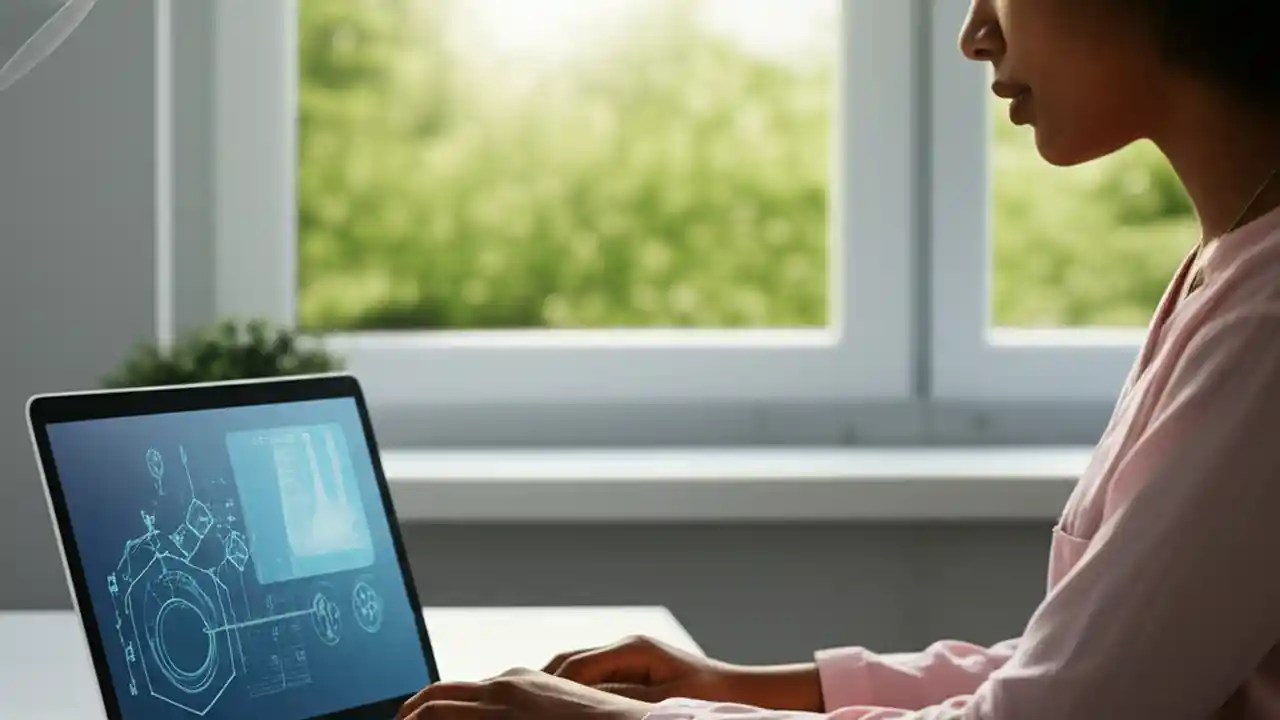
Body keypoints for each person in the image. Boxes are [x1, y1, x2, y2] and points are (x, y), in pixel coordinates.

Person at [398, 0, 1280, 717]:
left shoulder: (1267, 321)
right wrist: (740, 686)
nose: (976, 34)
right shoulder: (1231, 267)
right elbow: (1085, 665)